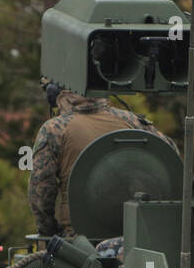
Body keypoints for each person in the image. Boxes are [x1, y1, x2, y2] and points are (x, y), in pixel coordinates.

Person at [29, 79, 178, 240]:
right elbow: (172, 159)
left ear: (55, 93)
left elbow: (41, 191)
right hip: (136, 237)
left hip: (79, 241)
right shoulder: (133, 121)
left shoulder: (54, 129)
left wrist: (49, 231)